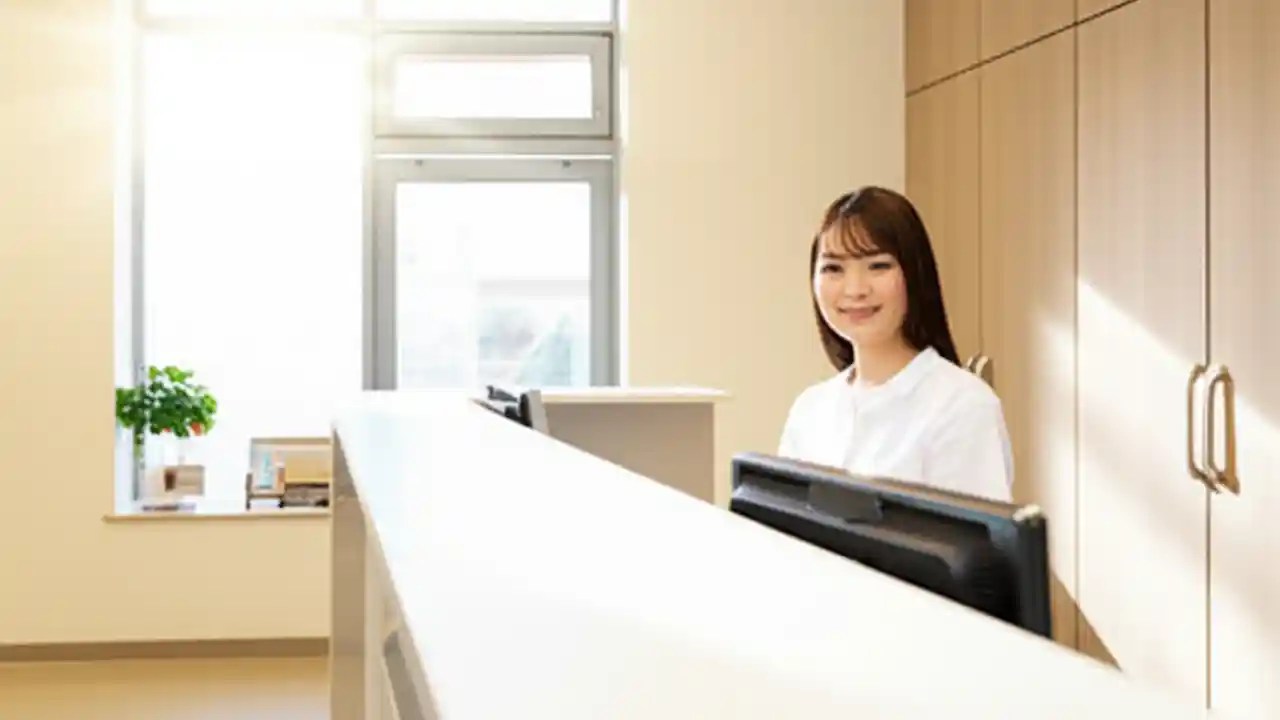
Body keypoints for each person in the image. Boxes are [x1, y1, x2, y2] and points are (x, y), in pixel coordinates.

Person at [777, 186, 1014, 502]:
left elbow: (973, 532)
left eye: (878, 266)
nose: (855, 289)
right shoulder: (810, 409)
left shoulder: (963, 406)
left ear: (914, 274)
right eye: (833, 268)